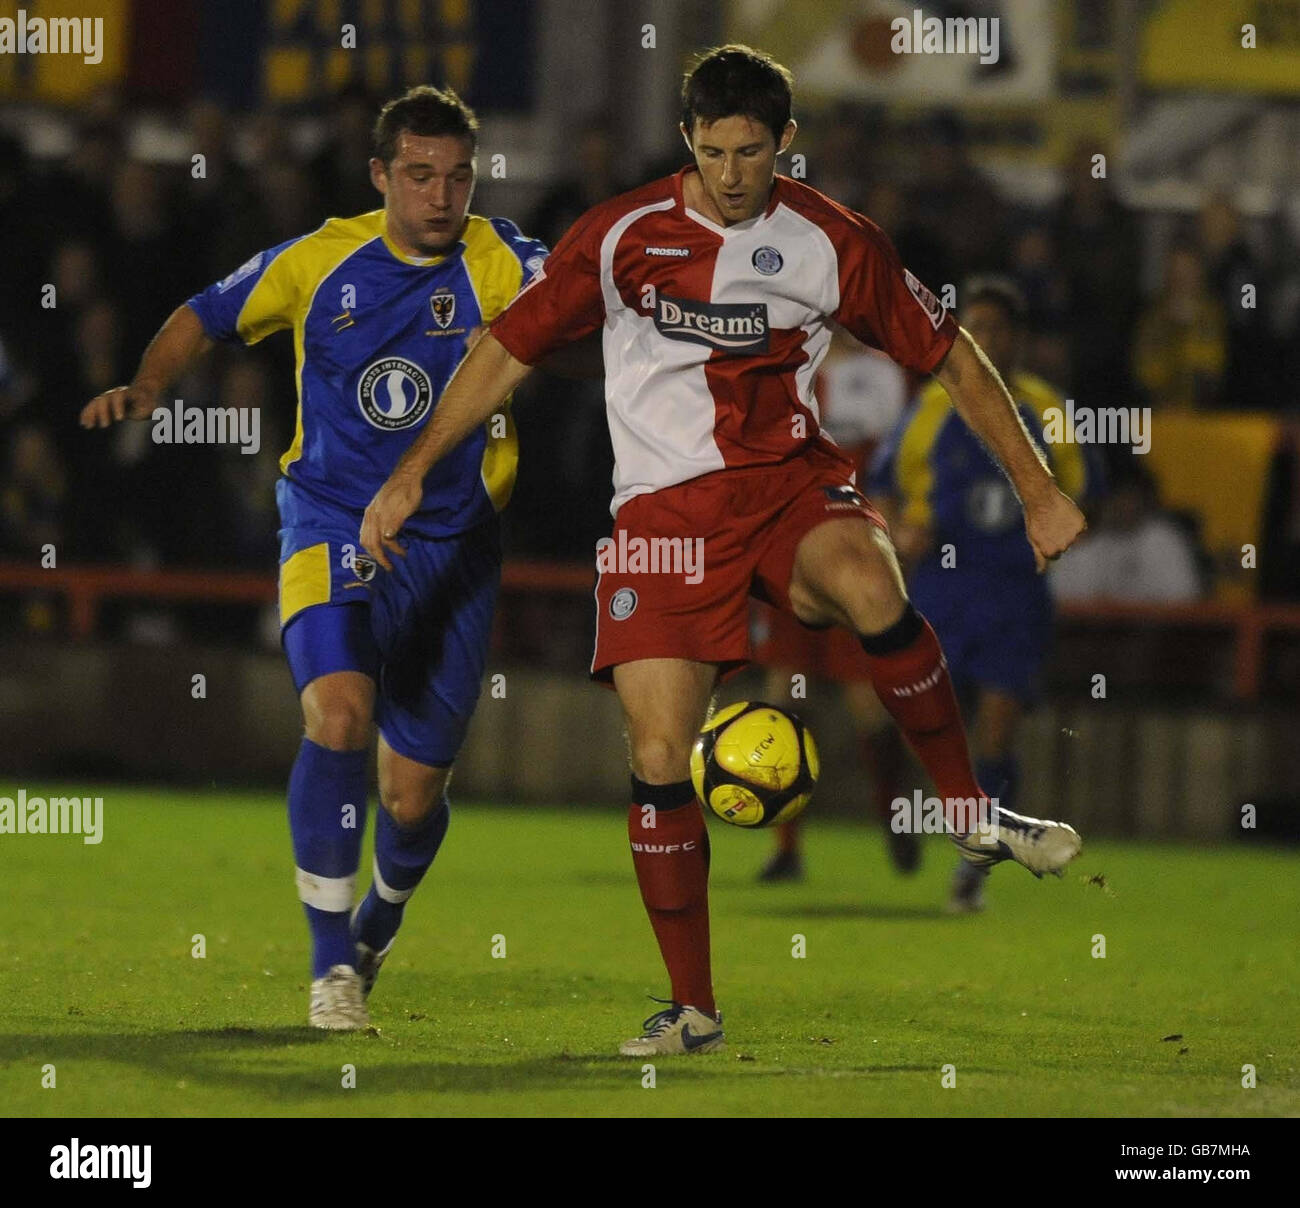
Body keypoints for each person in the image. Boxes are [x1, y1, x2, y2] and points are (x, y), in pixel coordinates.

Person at [362, 46, 1087, 1056]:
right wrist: (412, 469)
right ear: (686, 142)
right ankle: (692, 1007)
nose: (734, 174)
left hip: (786, 484)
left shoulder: (834, 241)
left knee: (870, 580)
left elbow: (950, 353)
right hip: (659, 516)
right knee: (659, 758)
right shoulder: (619, 235)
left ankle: (962, 806)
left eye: (752, 152)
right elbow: (506, 348)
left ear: (786, 143)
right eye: (712, 153)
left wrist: (1039, 488)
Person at [80, 86, 549, 1030]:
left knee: (411, 798)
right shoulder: (318, 259)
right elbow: (203, 314)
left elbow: (581, 315)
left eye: (458, 177)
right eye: (419, 175)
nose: (441, 195)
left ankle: (378, 921)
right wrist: (146, 384)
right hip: (329, 520)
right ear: (381, 177)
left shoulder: (508, 263)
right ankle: (331, 966)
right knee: (338, 716)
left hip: (453, 550)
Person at [869, 276, 1094, 911]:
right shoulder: (931, 408)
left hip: (1013, 594)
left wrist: (1057, 534)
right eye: (977, 329)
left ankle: (973, 868)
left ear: (1019, 339)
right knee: (927, 730)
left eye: (998, 329)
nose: (986, 340)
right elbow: (884, 484)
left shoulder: (1048, 409)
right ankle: (901, 812)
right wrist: (899, 532)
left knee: (995, 731)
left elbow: (1084, 494)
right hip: (941, 589)